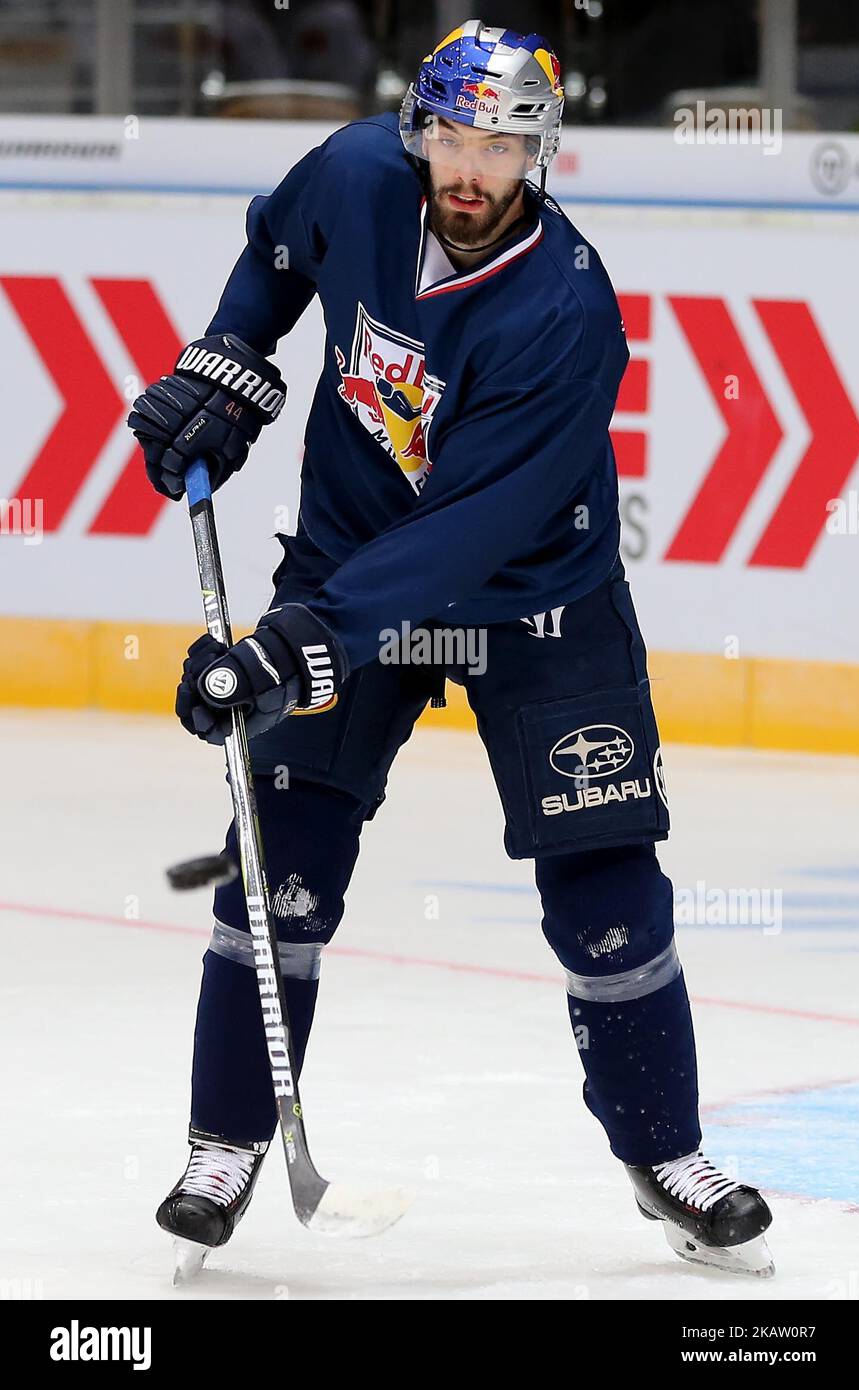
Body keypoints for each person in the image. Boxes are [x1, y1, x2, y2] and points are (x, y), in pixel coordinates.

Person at [129, 19, 773, 1280]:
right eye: (452, 137)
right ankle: (225, 1142)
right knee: (280, 866)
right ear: (417, 130)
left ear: (539, 149)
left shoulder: (565, 312)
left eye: (502, 144)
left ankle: (664, 1150)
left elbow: (469, 533)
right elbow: (274, 249)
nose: (470, 169)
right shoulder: (359, 174)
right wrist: (230, 354)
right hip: (344, 560)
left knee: (606, 892)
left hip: (536, 595)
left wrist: (292, 645)